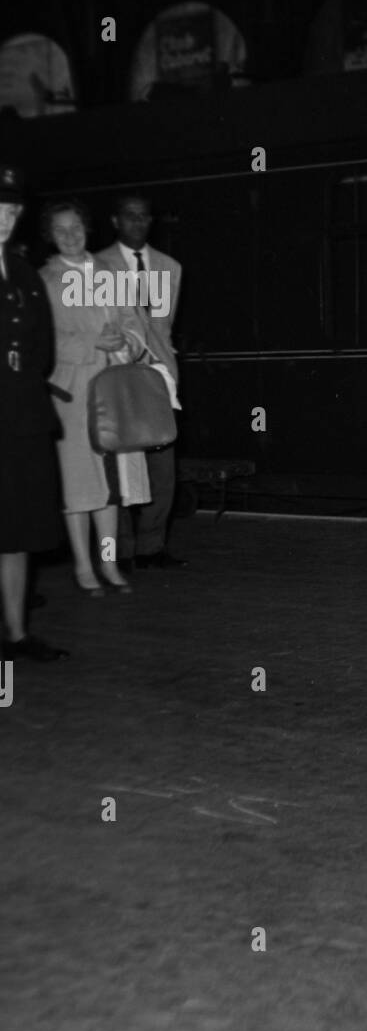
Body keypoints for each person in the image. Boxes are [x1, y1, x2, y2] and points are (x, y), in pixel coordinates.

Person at [39, 200, 150, 596]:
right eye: (60, 230)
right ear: (50, 236)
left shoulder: (109, 273)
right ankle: (84, 567)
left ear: (88, 229)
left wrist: (126, 342)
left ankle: (108, 561)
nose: (70, 236)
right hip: (72, 395)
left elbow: (136, 325)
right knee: (78, 487)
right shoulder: (46, 281)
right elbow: (45, 343)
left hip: (115, 390)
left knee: (110, 489)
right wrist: (92, 342)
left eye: (76, 228)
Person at [0, 165, 68, 661]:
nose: (5, 220)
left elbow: (42, 348)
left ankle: (17, 635)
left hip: (22, 418)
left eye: (11, 211)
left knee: (16, 530)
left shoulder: (21, 270)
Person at [100, 192, 184, 569]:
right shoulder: (94, 266)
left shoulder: (169, 267)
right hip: (113, 377)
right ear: (116, 221)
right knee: (116, 466)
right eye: (129, 216)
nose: (137, 222)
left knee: (161, 465)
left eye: (143, 216)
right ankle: (121, 550)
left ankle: (152, 547)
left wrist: (166, 373)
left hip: (158, 380)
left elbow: (161, 329)